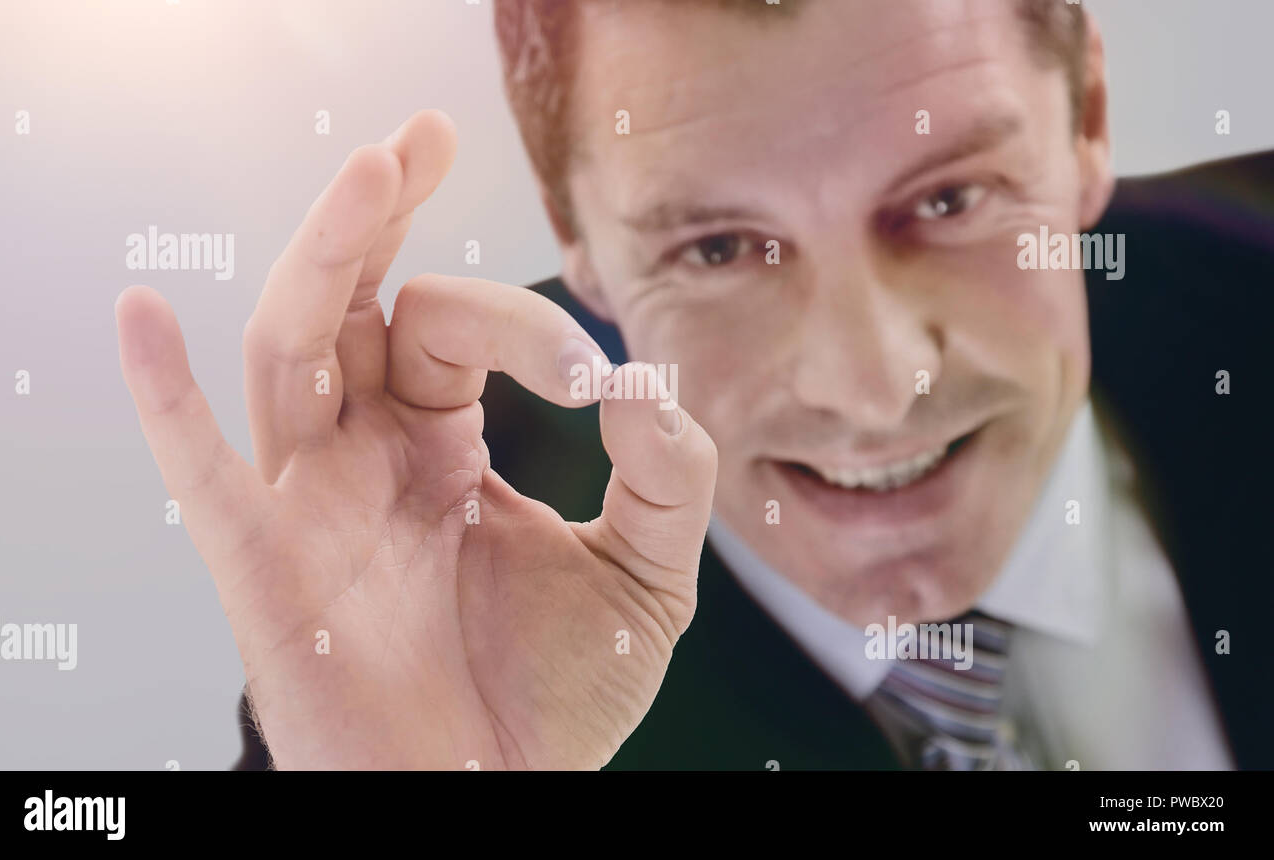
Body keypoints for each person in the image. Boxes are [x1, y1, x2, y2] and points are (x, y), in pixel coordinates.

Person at [116, 0, 1273, 770]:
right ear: (574, 232)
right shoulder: (437, 586)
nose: (871, 389)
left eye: (948, 199)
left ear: (1085, 124)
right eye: (719, 250)